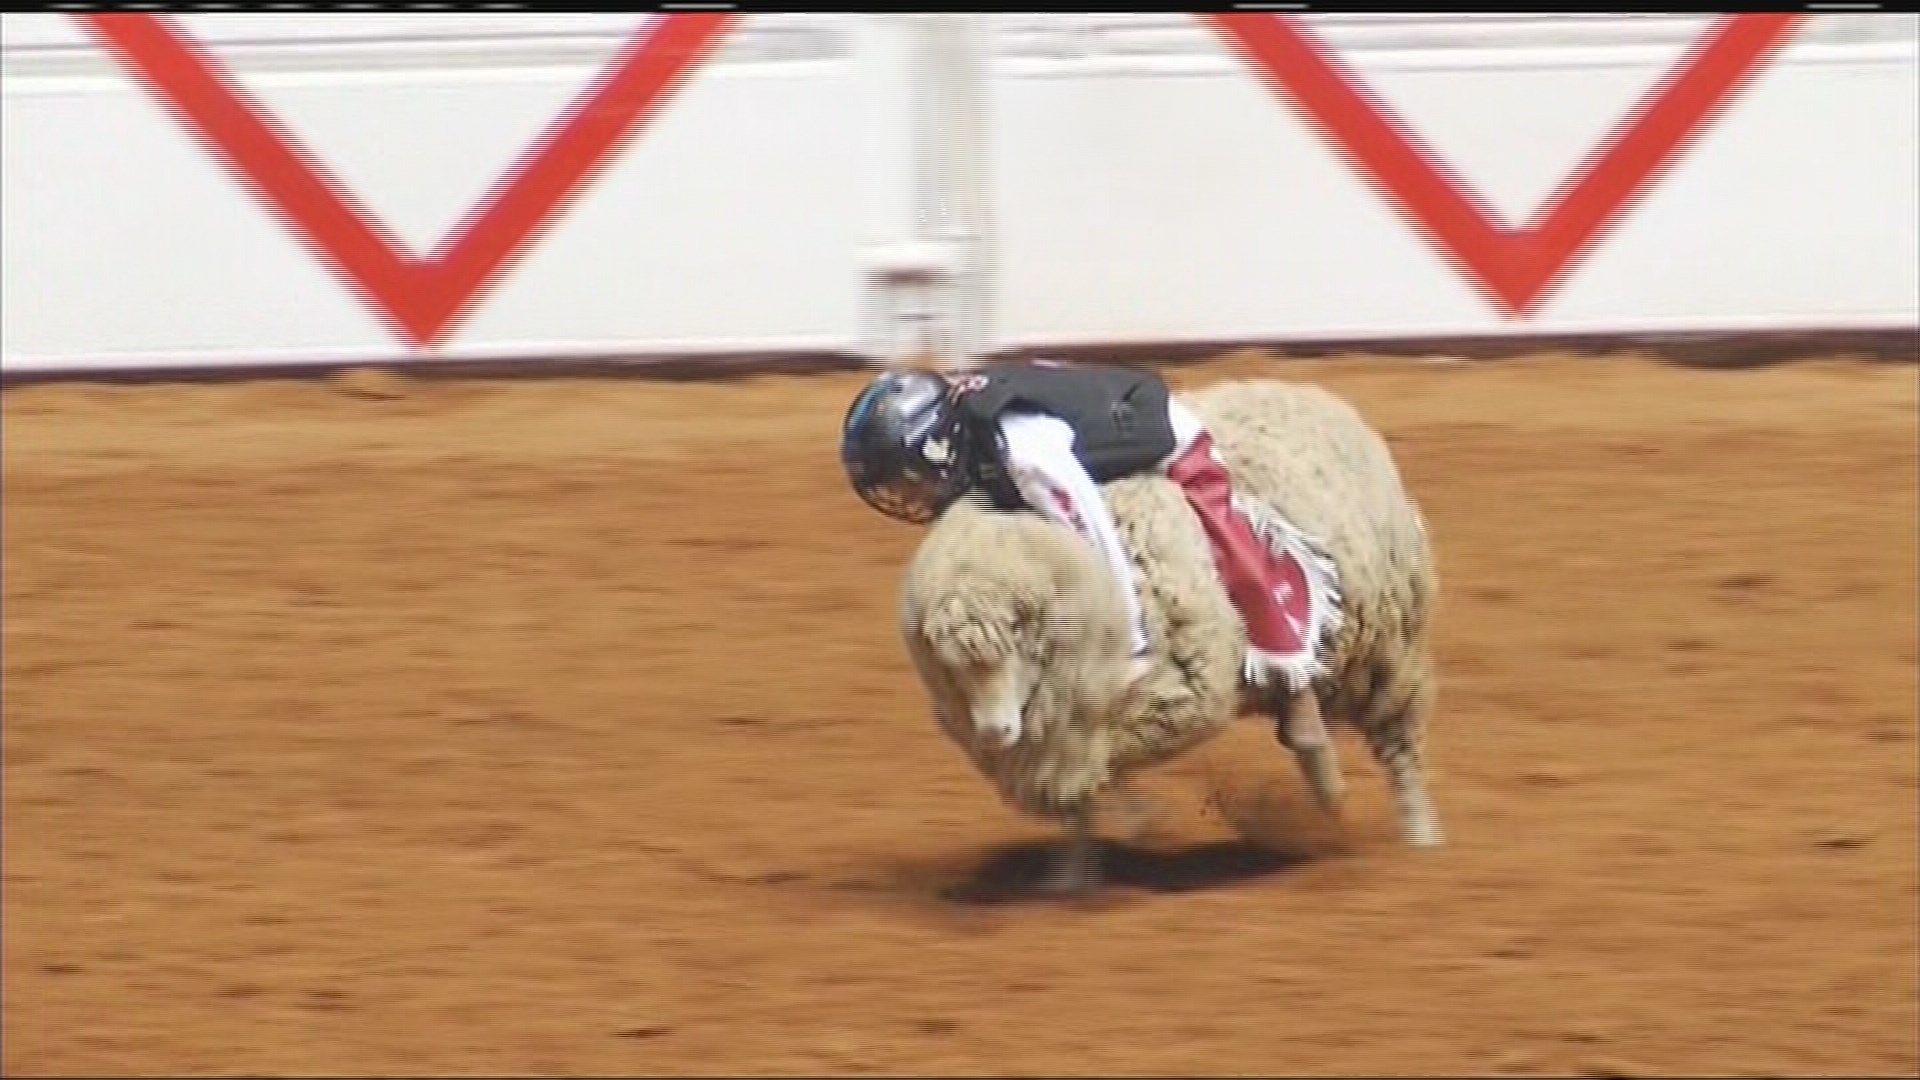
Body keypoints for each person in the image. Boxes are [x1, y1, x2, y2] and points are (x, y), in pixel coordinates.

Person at [838, 357, 1336, 753]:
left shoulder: (1026, 452)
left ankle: (1294, 684)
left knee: (1229, 542)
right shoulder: (975, 445)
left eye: (910, 479)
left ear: (939, 449)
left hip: (1156, 440)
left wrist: (1133, 643)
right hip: (1079, 456)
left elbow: (1088, 526)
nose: (907, 496)